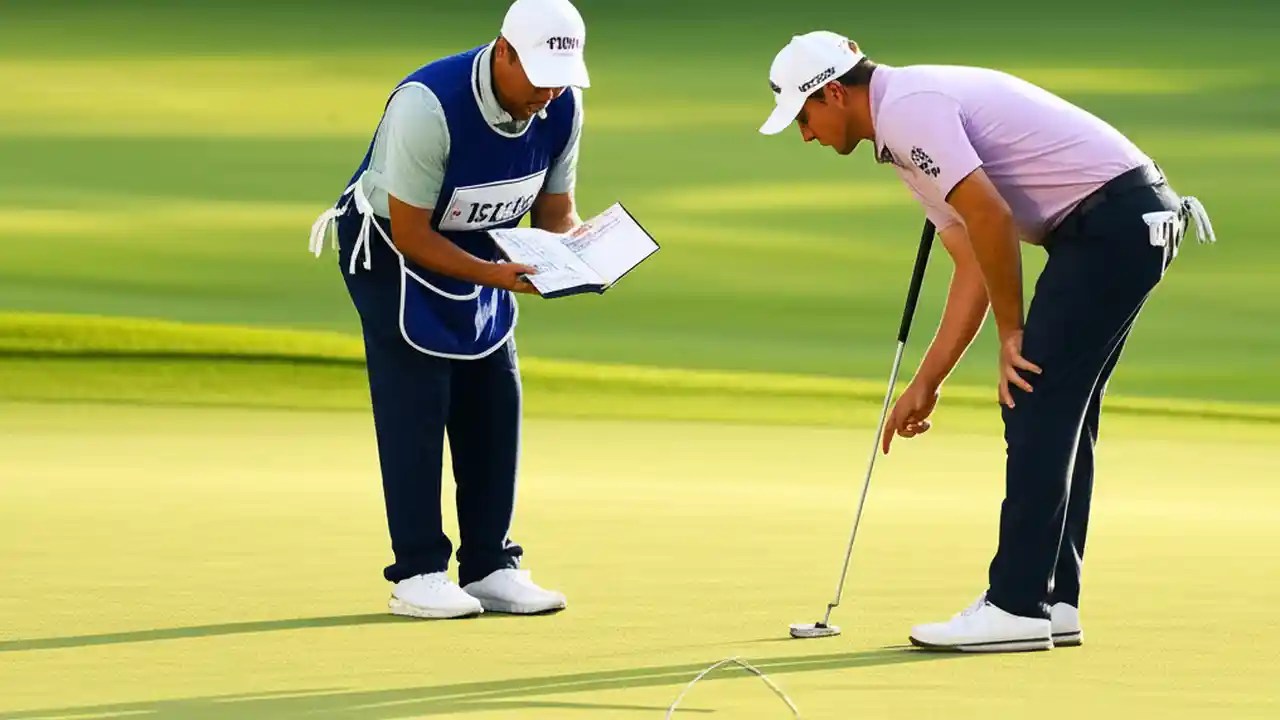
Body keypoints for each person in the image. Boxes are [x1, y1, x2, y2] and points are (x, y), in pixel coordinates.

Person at [758, 31, 1215, 651]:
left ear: (834, 93)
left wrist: (1011, 334)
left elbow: (993, 217)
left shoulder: (909, 109)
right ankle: (1052, 600)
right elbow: (972, 264)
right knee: (1059, 409)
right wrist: (928, 382)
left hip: (1113, 224)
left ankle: (1017, 605)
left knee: (1035, 397)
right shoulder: (898, 138)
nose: (806, 134)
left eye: (804, 117)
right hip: (1126, 224)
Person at [307, 0, 592, 620]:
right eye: (539, 74)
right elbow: (410, 232)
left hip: (484, 254)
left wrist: (586, 252)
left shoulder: (561, 104)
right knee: (417, 400)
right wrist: (496, 275)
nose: (548, 92)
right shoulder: (427, 104)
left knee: (494, 396)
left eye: (561, 78)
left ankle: (490, 566)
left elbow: (554, 214)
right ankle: (418, 572)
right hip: (389, 253)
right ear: (505, 52)